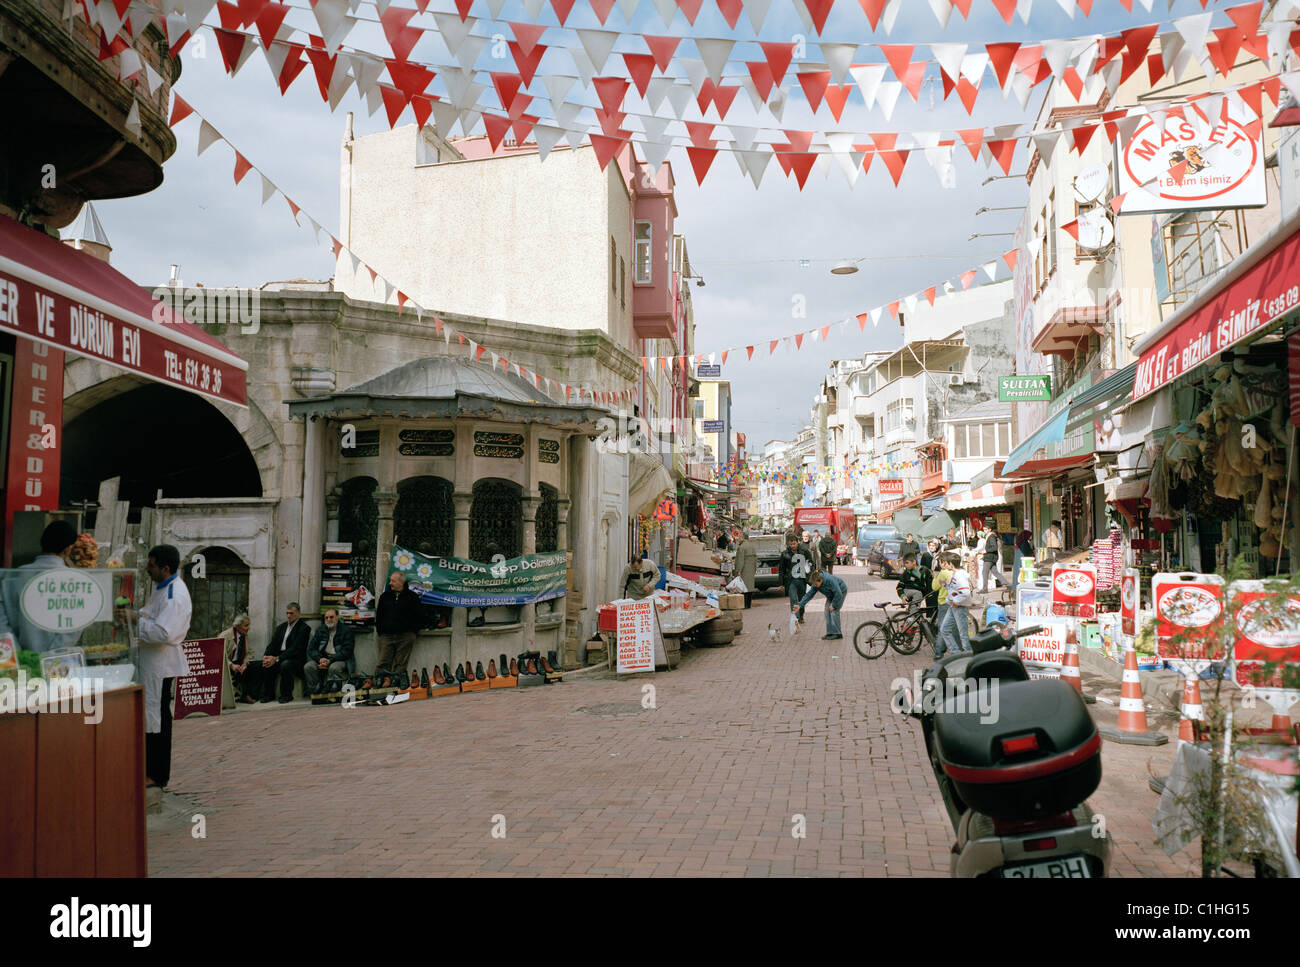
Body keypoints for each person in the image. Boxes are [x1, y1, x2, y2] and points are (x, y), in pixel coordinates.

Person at [115, 545, 192, 789]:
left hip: (160, 662)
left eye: (151, 565)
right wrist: (133, 615)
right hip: (152, 661)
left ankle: (157, 775)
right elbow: (150, 614)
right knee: (152, 715)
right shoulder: (163, 588)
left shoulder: (174, 595)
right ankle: (150, 770)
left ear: (165, 568)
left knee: (157, 718)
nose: (147, 569)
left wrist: (133, 626)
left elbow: (162, 631)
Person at [0, 520, 82, 654]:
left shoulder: (12, 576)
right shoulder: (74, 581)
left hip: (17, 660)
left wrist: (18, 654)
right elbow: (74, 627)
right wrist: (50, 655)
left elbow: (1, 622)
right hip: (56, 663)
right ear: (68, 549)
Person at [375, 571, 422, 684]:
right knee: (383, 662)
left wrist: (413, 632)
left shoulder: (412, 597)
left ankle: (396, 684)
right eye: (390, 580)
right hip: (386, 636)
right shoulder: (385, 597)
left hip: (405, 636)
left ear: (401, 582)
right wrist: (381, 631)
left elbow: (419, 616)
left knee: (401, 663)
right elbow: (379, 615)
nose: (390, 583)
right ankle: (380, 683)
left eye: (393, 581)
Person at [261, 602, 311, 703]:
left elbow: (296, 649)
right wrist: (266, 656)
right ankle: (268, 694)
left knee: (285, 665)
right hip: (279, 656)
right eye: (287, 613)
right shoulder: (281, 627)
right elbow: (272, 644)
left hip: (296, 659)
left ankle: (287, 695)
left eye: (291, 613)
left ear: (298, 613)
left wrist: (276, 659)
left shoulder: (304, 628)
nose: (288, 616)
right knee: (266, 664)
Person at [305, 608, 355, 693]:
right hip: (323, 658)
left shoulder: (346, 630)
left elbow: (347, 651)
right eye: (326, 618)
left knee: (333, 668)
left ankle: (332, 691)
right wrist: (320, 659)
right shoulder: (320, 630)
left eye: (331, 617)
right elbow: (311, 649)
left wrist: (330, 660)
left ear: (337, 617)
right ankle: (315, 690)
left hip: (340, 659)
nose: (329, 620)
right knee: (308, 667)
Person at [937, 552, 974, 657]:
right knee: (944, 629)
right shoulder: (956, 574)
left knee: (963, 634)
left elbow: (965, 592)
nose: (946, 565)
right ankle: (956, 654)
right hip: (953, 607)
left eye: (947, 563)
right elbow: (955, 589)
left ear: (951, 564)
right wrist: (945, 585)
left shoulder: (959, 575)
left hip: (959, 607)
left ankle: (968, 656)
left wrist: (956, 602)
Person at [793, 569, 848, 640]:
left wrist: (834, 605)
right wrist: (800, 605)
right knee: (827, 611)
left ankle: (838, 633)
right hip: (831, 595)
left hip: (840, 592)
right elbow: (809, 594)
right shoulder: (816, 584)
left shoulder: (829, 580)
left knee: (834, 611)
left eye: (816, 584)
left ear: (821, 580)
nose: (815, 586)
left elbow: (838, 593)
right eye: (814, 584)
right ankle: (830, 633)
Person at [779, 532, 814, 624]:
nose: (792, 546)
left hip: (802, 579)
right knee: (793, 599)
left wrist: (810, 576)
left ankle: (801, 615)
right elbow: (782, 569)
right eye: (790, 544)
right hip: (791, 580)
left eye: (794, 543)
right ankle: (795, 618)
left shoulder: (805, 551)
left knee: (801, 599)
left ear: (797, 542)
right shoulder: (785, 554)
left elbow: (811, 563)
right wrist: (781, 583)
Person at [220, 614, 254, 707]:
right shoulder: (225, 635)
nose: (249, 628)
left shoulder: (244, 635)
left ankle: (245, 695)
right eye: (246, 625)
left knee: (255, 667)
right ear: (237, 626)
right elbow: (220, 655)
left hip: (239, 662)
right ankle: (234, 696)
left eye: (249, 625)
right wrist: (231, 665)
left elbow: (250, 652)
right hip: (227, 663)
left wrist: (245, 663)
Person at [931, 553, 955, 659]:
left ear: (944, 563)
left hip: (944, 603)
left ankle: (938, 652)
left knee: (942, 628)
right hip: (954, 603)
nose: (939, 565)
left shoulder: (943, 573)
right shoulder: (955, 572)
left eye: (940, 562)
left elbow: (935, 587)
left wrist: (934, 578)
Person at [980, 529, 1011, 593]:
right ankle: (1008, 585)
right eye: (984, 529)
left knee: (985, 572)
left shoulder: (991, 537)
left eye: (985, 529)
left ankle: (985, 589)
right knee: (995, 572)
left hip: (990, 558)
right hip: (991, 557)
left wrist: (986, 551)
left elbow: (994, 547)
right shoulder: (991, 537)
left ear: (989, 529)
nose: (984, 531)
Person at [733, 533, 758, 608]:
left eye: (739, 537)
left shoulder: (741, 547)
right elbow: (755, 559)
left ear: (742, 538)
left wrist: (738, 570)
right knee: (750, 587)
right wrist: (754, 569)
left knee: (743, 587)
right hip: (751, 569)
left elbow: (740, 560)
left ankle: (744, 605)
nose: (738, 539)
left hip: (744, 570)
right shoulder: (752, 546)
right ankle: (749, 604)